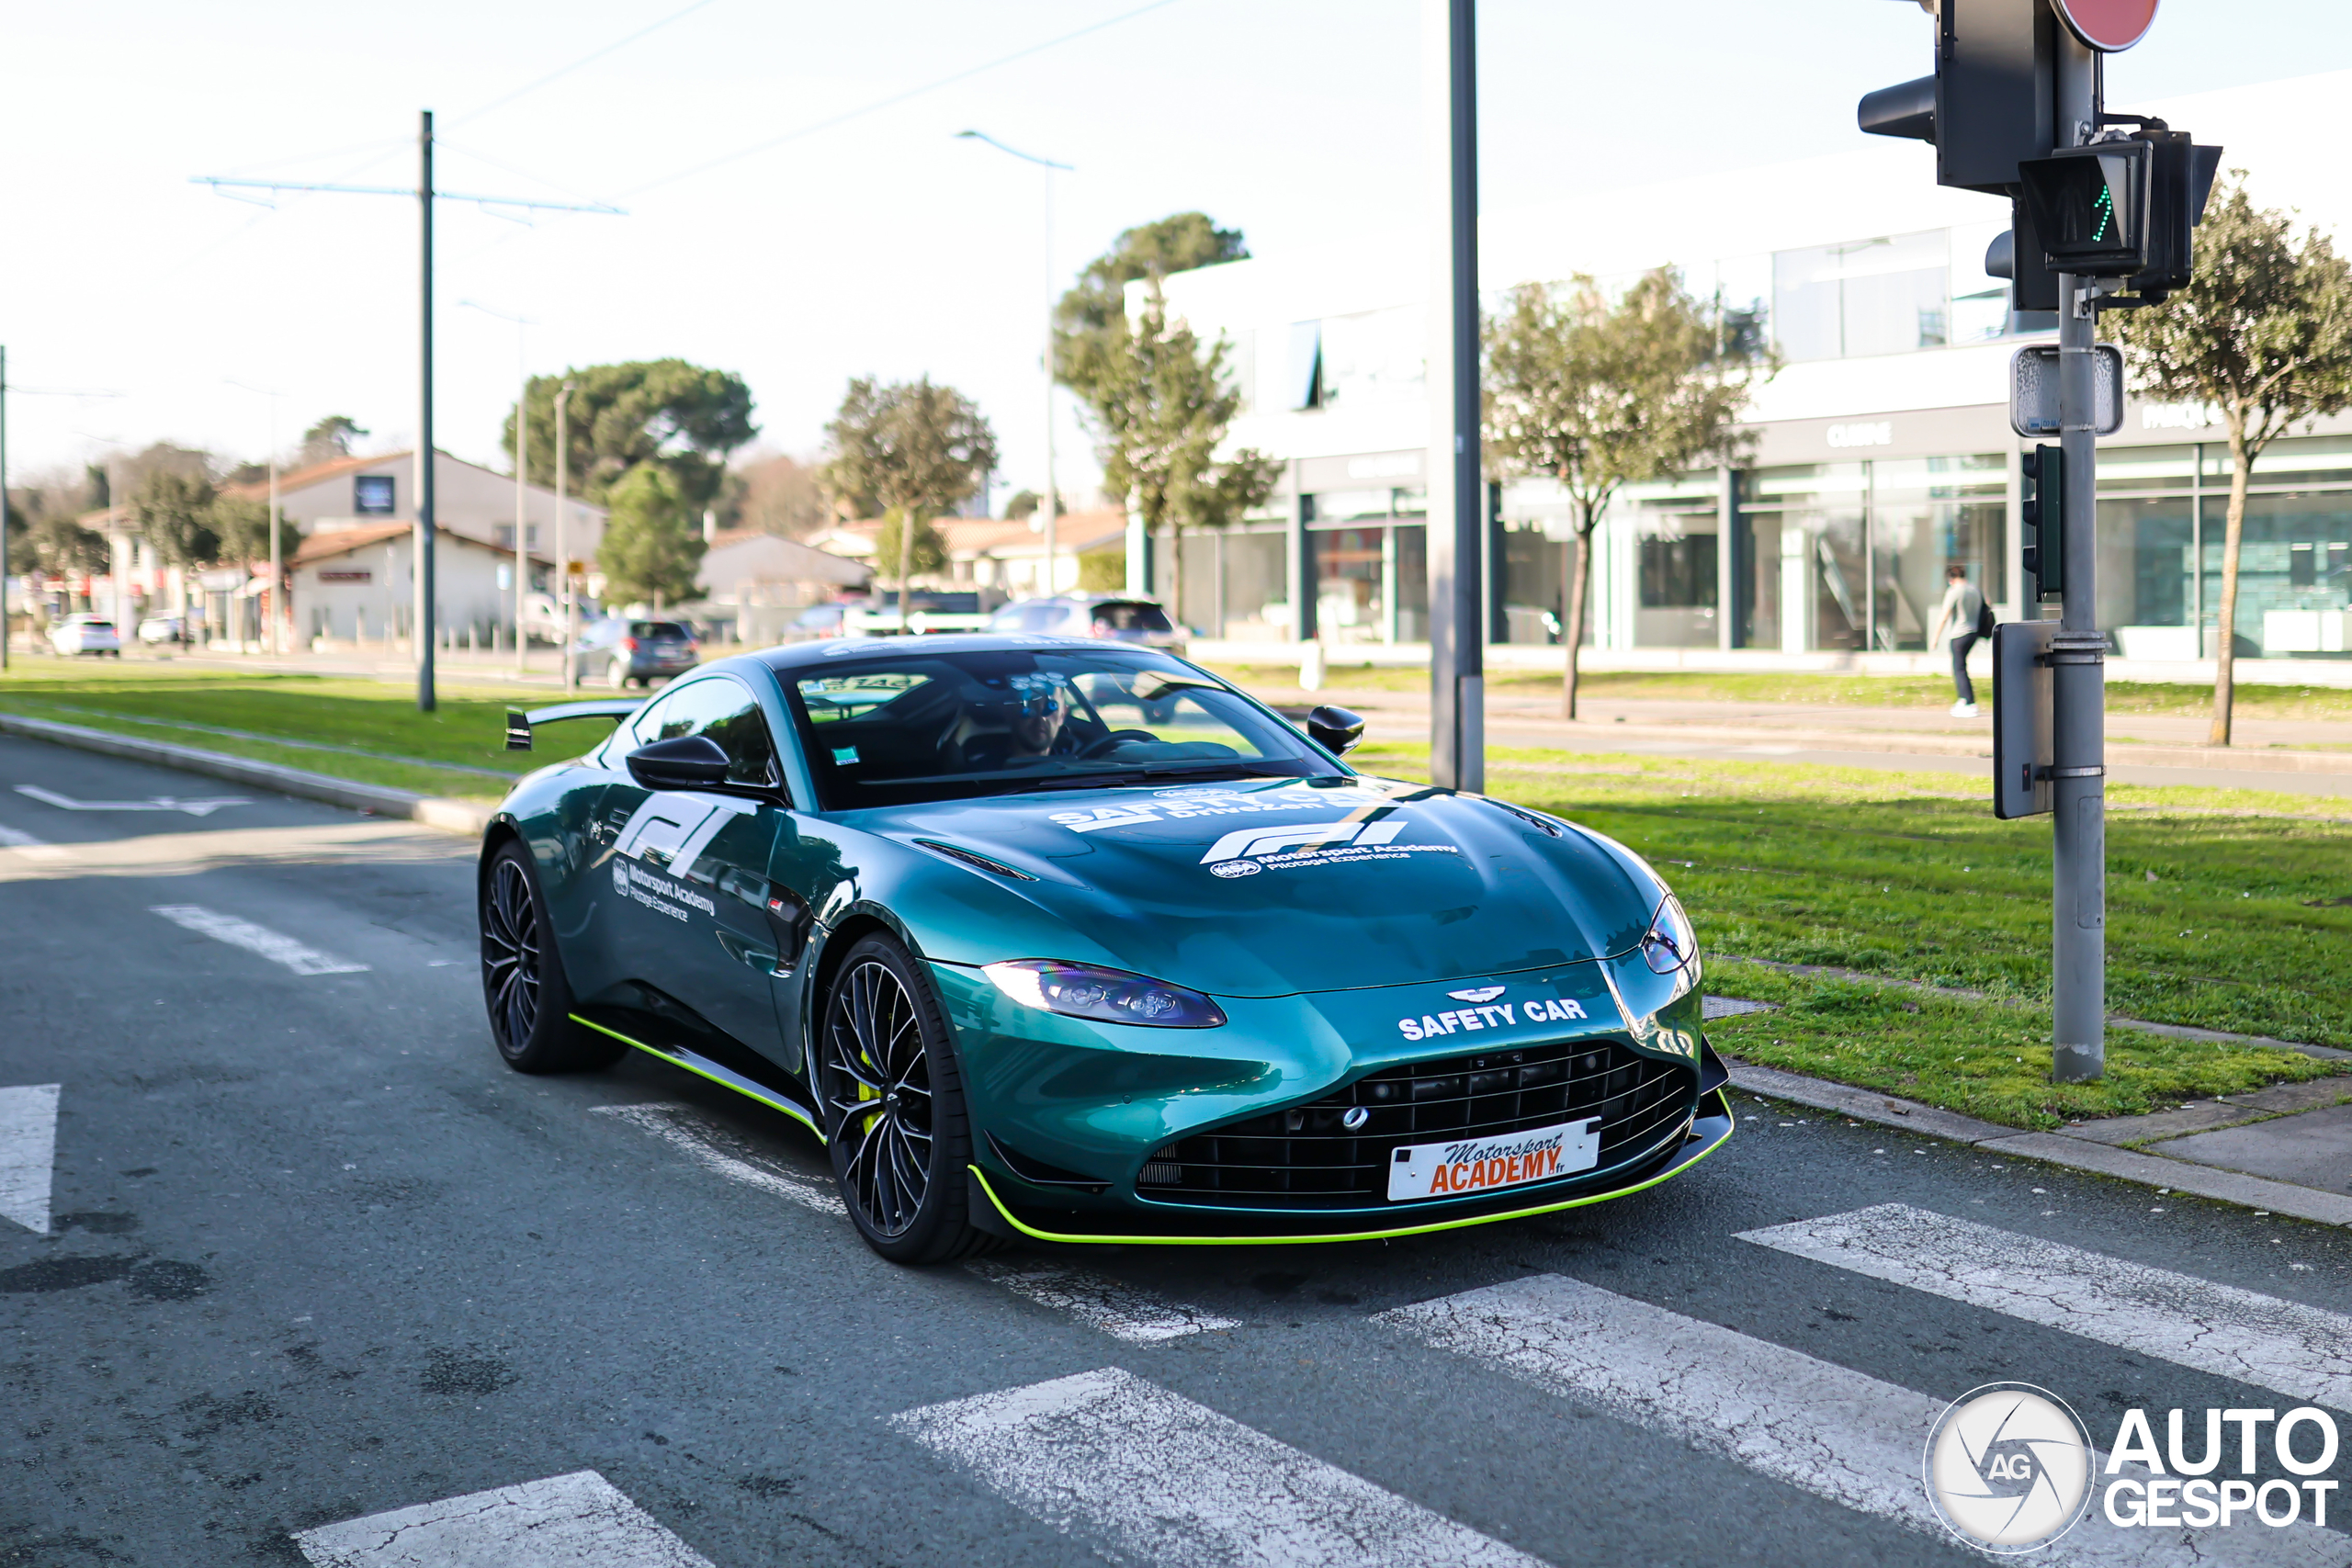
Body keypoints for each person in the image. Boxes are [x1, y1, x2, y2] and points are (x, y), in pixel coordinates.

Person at [1927, 563, 1990, 718]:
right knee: (1962, 666)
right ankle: (1967, 700)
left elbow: (1944, 615)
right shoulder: (1974, 589)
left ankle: (1967, 701)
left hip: (1959, 634)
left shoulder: (1954, 591)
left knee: (1959, 668)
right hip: (1973, 633)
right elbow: (1988, 605)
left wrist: (1935, 638)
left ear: (1951, 578)